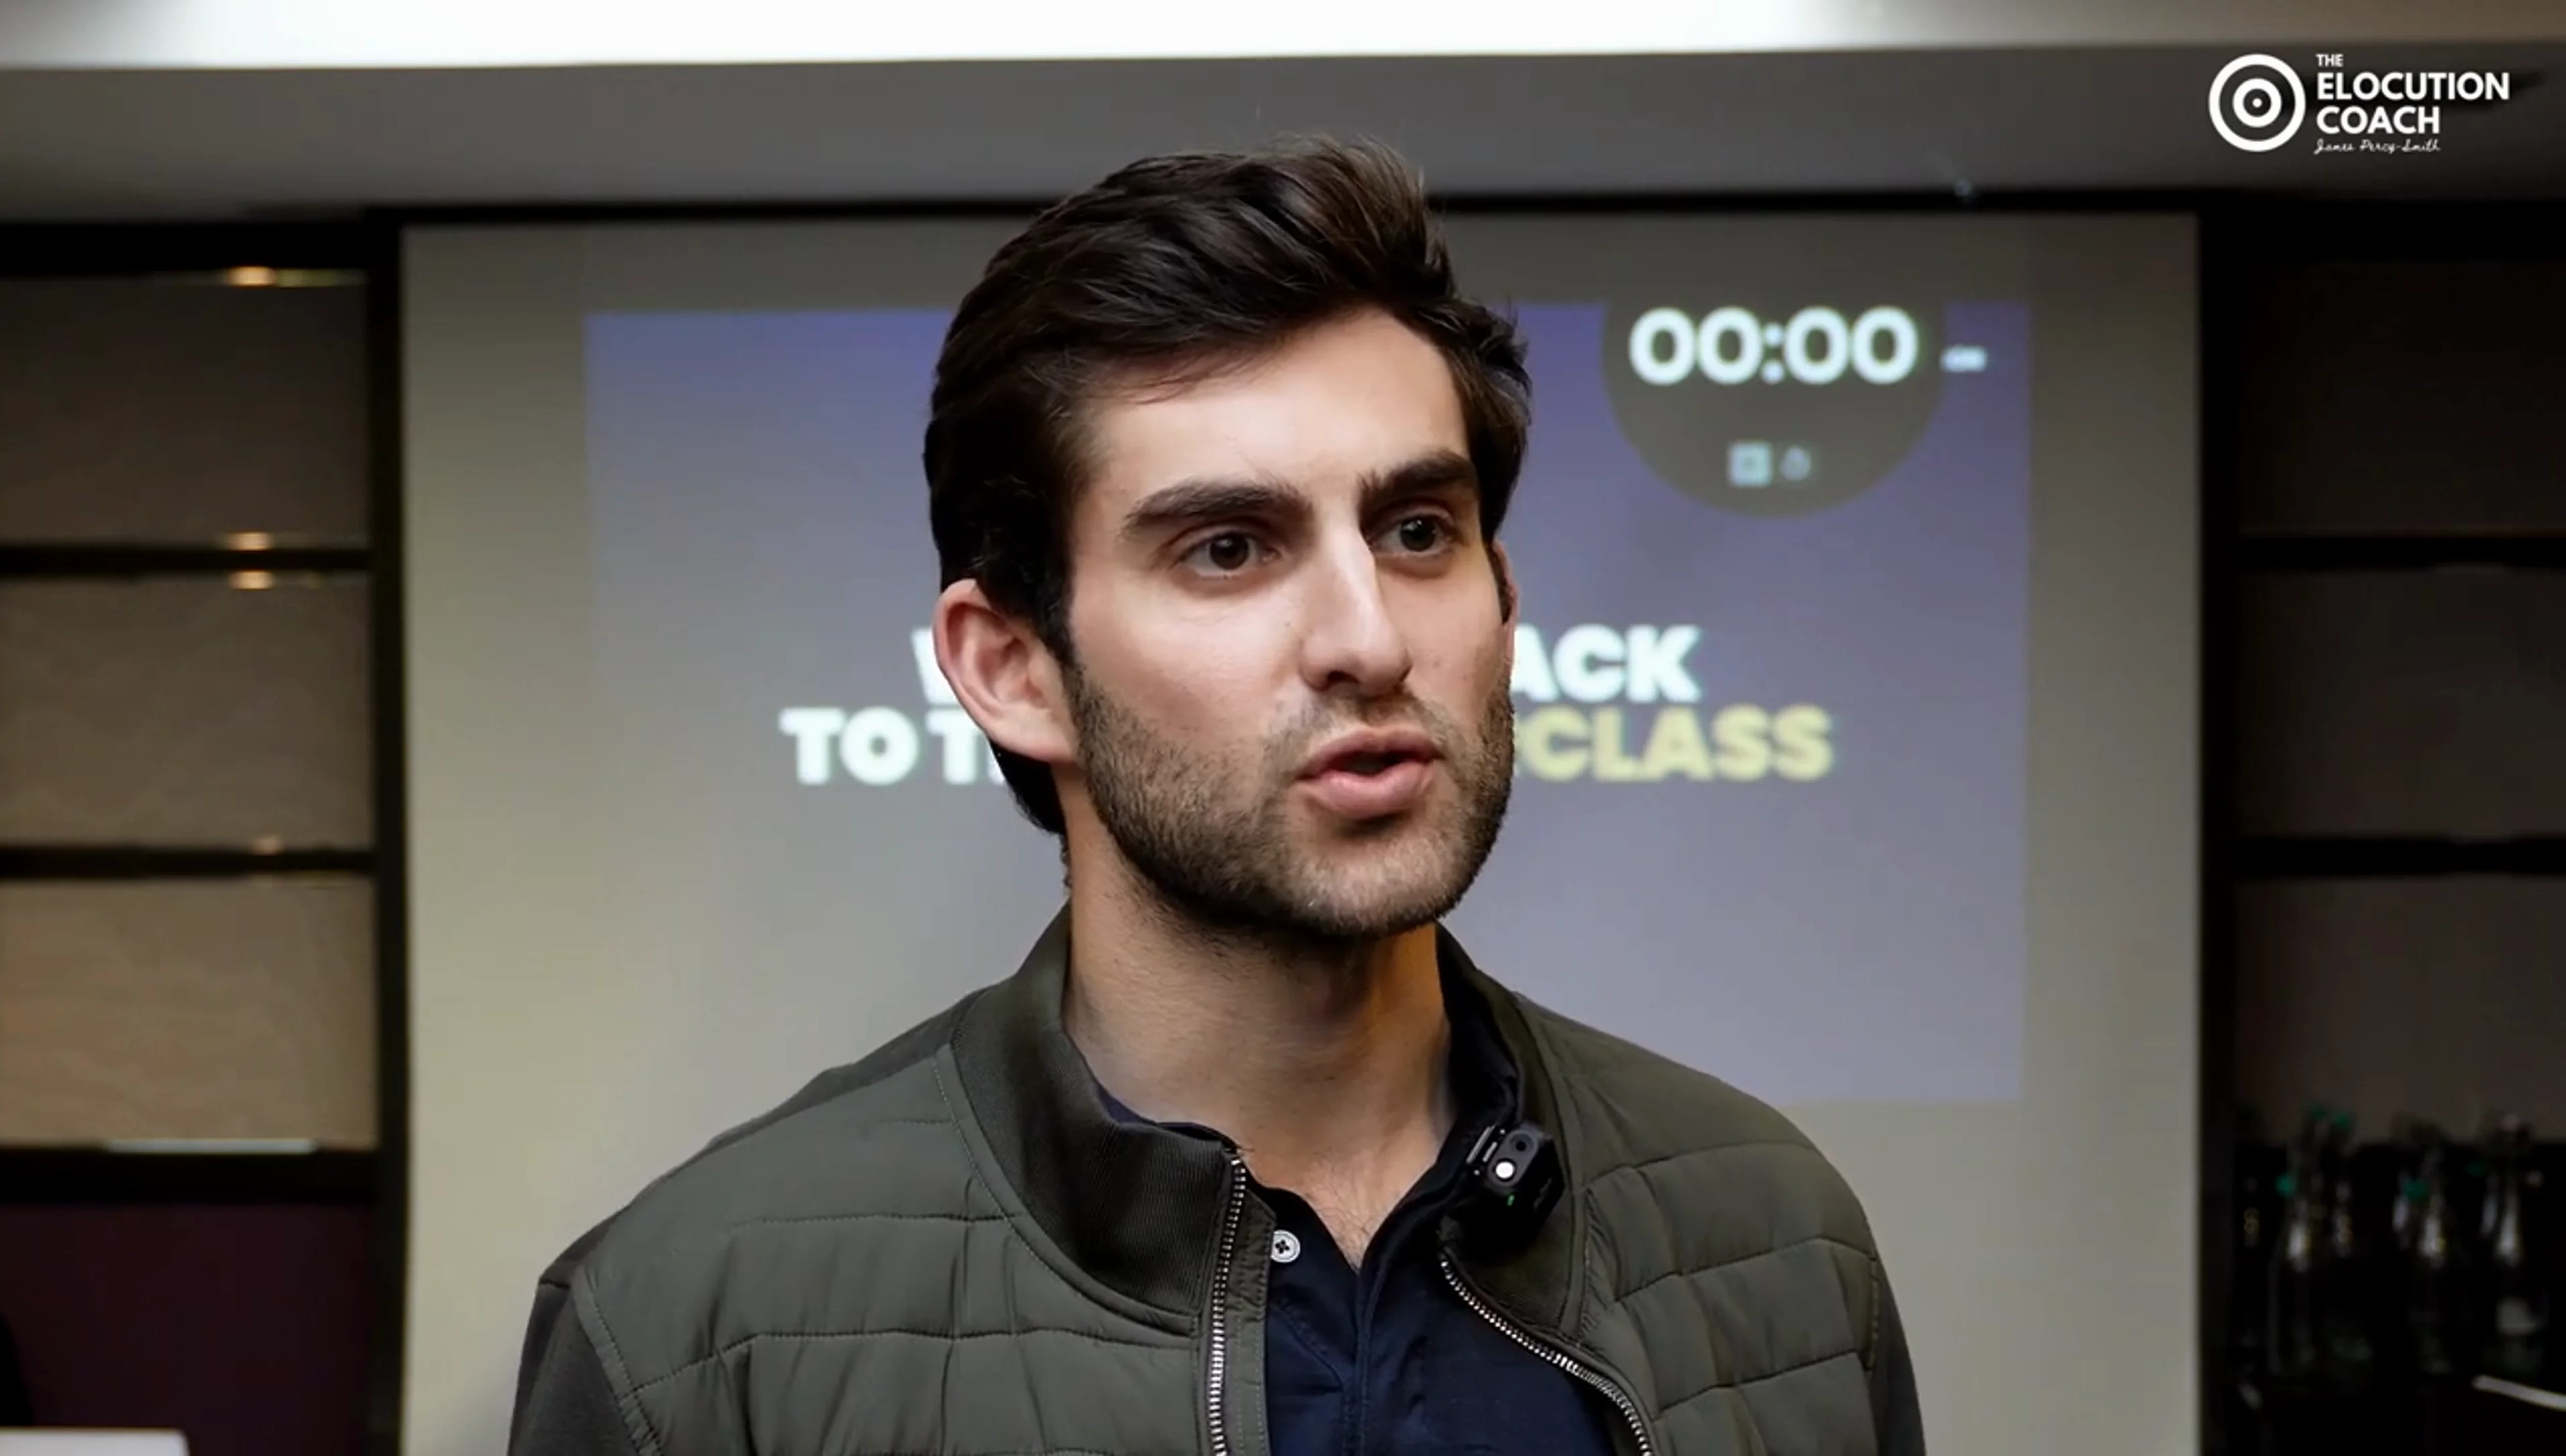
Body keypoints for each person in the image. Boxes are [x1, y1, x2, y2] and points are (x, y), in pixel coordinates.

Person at [509, 136, 1922, 1456]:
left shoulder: (1774, 1244)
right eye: (1229, 550)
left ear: (1502, 593)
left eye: (1417, 531)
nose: (1370, 639)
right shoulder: (699, 1328)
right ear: (1013, 670)